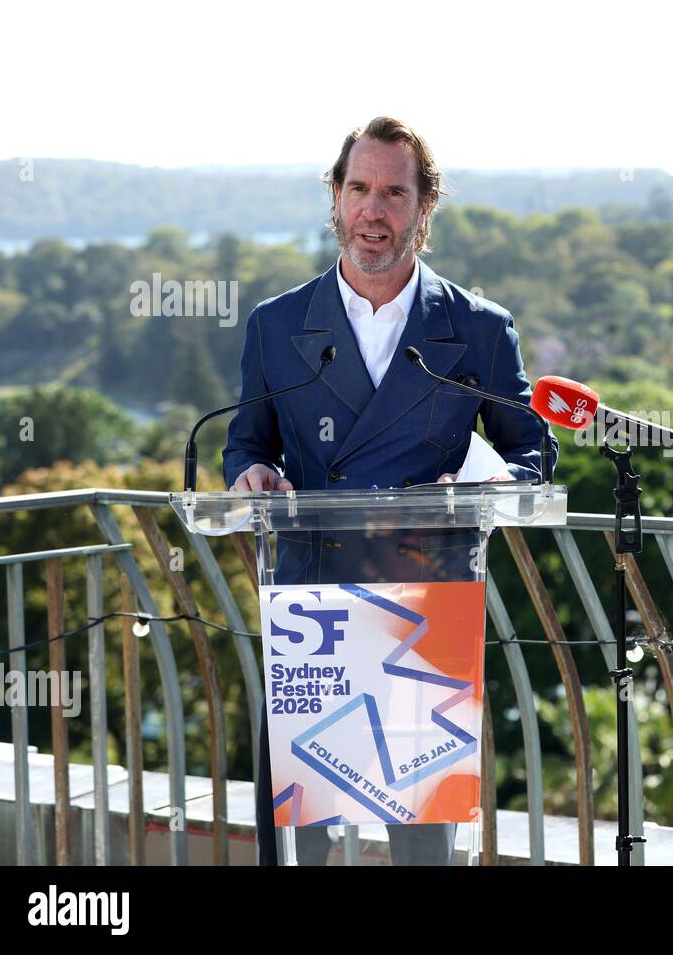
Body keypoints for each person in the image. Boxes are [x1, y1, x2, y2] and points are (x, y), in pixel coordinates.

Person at [222, 116, 557, 866]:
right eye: (359, 189)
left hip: (424, 601)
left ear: (424, 208)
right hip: (315, 601)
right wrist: (248, 473)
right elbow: (246, 441)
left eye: (394, 193)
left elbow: (530, 445)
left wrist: (496, 481)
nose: (373, 210)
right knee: (306, 843)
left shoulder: (478, 329)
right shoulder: (277, 325)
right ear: (336, 199)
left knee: (422, 847)